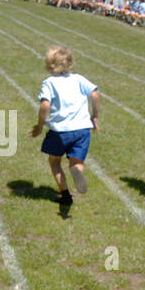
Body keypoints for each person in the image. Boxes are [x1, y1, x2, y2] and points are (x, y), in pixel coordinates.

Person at [30, 46, 99, 211]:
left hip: (60, 131)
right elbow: (95, 95)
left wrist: (40, 125)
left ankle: (66, 195)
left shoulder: (49, 83)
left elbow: (45, 104)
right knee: (76, 161)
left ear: (49, 64)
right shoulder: (79, 79)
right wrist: (94, 116)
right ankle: (77, 172)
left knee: (54, 161)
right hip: (82, 129)